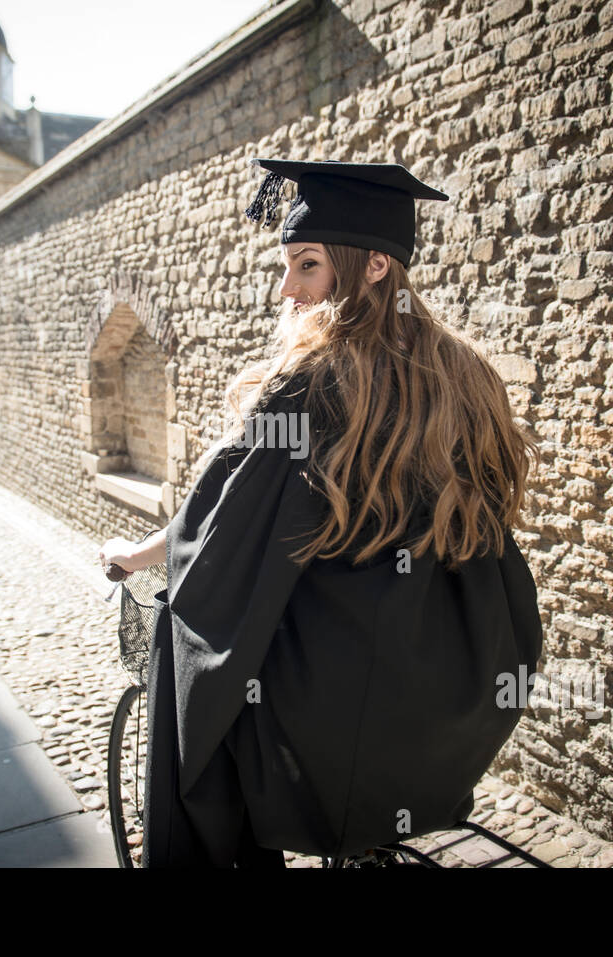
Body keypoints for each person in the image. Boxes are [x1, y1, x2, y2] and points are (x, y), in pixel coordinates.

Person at [99, 158, 544, 867]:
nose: (288, 289)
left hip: (329, 721)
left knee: (183, 644)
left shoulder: (309, 387)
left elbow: (214, 532)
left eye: (306, 265)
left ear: (371, 266)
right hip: (452, 697)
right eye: (286, 266)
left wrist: (141, 555)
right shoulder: (470, 374)